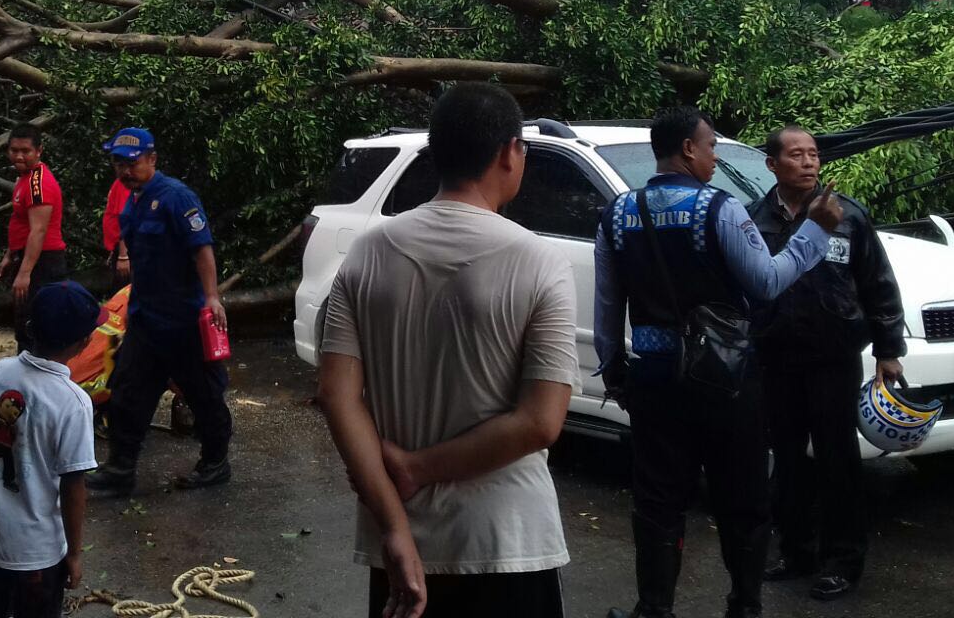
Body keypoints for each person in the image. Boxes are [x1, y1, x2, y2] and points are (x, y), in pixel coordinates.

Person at [318, 83, 579, 618]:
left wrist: (393, 525)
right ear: (510, 152)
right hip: (507, 543)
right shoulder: (539, 261)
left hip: (401, 547)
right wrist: (418, 466)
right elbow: (540, 423)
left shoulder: (365, 255)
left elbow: (337, 397)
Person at [596, 106, 844, 618]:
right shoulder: (720, 208)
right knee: (742, 497)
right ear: (688, 148)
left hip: (654, 376)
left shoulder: (617, 215)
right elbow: (768, 282)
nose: (713, 157)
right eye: (710, 147)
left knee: (658, 501)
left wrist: (616, 370)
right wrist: (815, 230)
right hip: (726, 379)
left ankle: (654, 608)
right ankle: (744, 606)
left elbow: (606, 308)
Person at [750, 124, 906, 602]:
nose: (809, 162)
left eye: (813, 154)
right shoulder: (753, 219)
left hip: (834, 359)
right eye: (796, 155)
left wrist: (888, 349)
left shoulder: (848, 216)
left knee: (839, 462)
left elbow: (878, 282)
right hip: (777, 359)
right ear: (772, 165)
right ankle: (796, 551)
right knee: (789, 462)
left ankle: (842, 560)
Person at [86, 128, 232, 497]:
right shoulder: (132, 201)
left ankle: (215, 463)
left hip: (183, 321)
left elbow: (202, 249)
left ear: (152, 159)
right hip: (146, 320)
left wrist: (212, 298)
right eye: (119, 163)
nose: (125, 170)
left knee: (204, 395)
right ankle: (120, 471)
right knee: (127, 394)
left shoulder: (176, 197)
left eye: (132, 163)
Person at [0, 281, 101, 618]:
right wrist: (75, 553)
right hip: (36, 554)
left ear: (29, 327)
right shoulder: (73, 403)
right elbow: (73, 484)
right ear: (84, 343)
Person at [0, 125, 69, 345]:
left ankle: (36, 372)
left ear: (39, 151)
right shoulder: (24, 179)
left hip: (44, 262)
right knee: (23, 319)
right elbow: (21, 222)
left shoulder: (38, 184)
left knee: (35, 323)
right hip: (27, 257)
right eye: (14, 150)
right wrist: (9, 256)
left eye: (25, 151)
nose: (19, 156)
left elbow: (39, 230)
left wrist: (25, 273)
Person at [101, 149, 133, 283]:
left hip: (127, 250)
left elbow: (125, 219)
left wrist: (123, 256)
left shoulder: (125, 184)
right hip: (118, 247)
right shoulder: (119, 183)